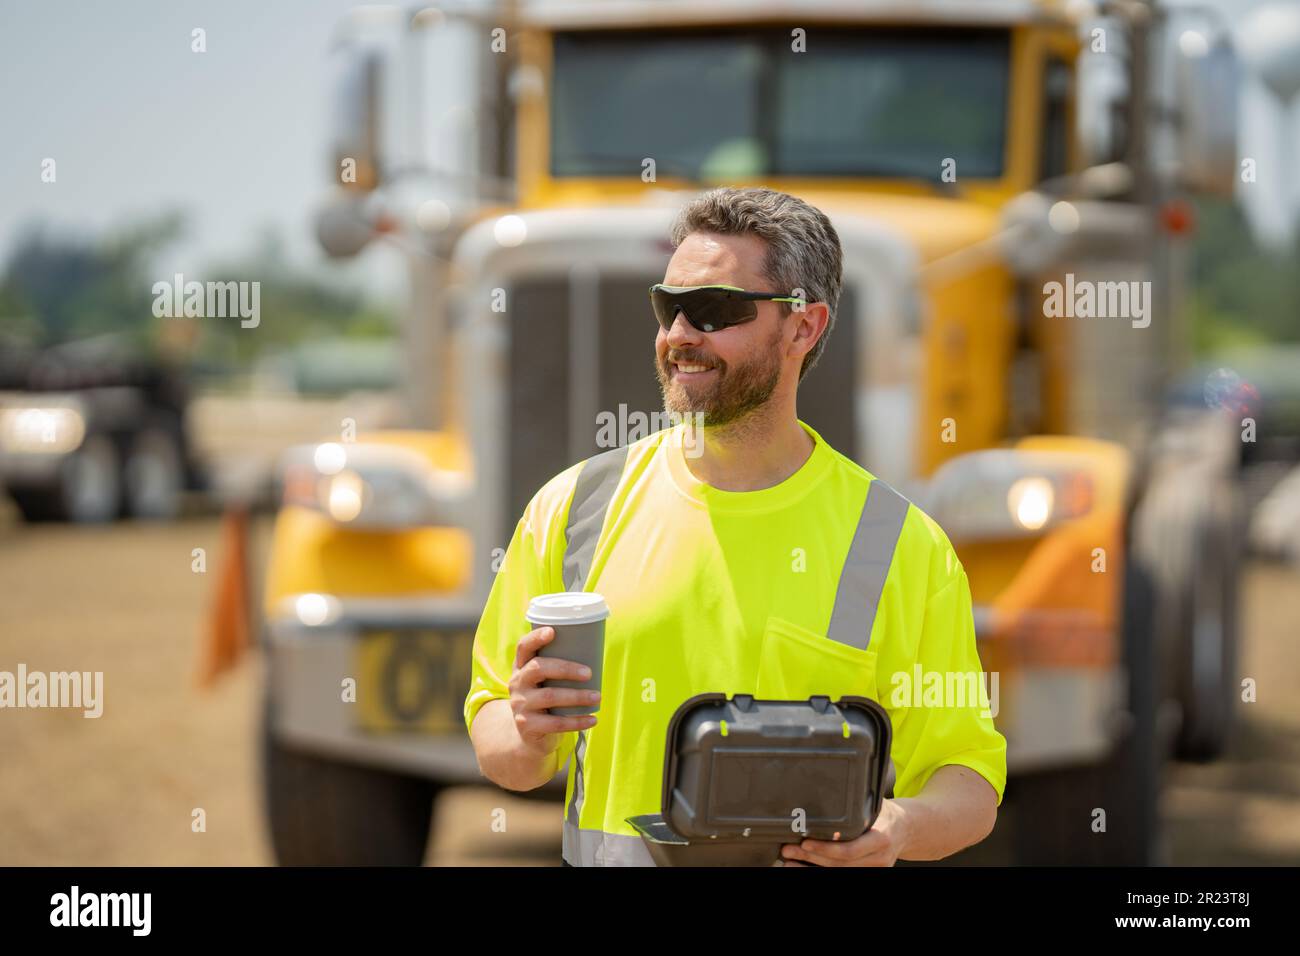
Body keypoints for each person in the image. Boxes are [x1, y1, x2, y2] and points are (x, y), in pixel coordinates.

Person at [465, 186, 1006, 867]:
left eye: (716, 310)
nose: (680, 335)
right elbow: (504, 750)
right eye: (670, 307)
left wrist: (895, 826)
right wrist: (527, 735)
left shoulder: (899, 544)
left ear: (803, 328)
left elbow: (968, 782)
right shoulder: (573, 510)